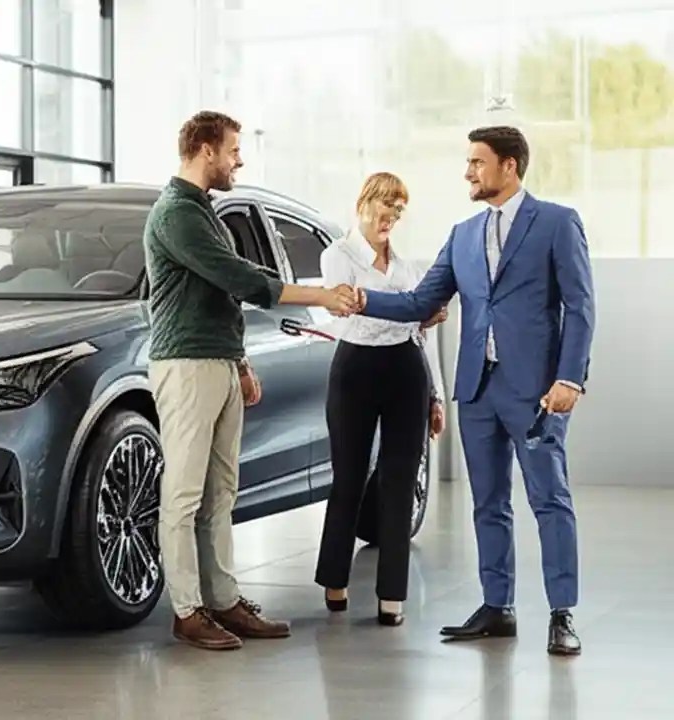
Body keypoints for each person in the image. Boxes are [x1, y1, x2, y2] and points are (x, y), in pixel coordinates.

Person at [350, 126, 595, 656]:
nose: (468, 172)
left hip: (536, 393)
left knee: (549, 500)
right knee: (487, 502)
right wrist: (358, 299)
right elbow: (419, 301)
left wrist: (570, 378)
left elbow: (579, 306)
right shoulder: (462, 234)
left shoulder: (556, 222)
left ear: (509, 166)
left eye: (477, 162)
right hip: (477, 391)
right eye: (467, 162)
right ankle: (497, 607)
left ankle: (562, 614)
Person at [143, 110, 360, 651]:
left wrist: (238, 362)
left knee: (221, 491)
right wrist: (320, 296)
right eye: (233, 149)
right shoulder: (176, 214)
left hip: (216, 362)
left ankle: (223, 601)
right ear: (205, 150)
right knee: (184, 494)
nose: (239, 159)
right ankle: (187, 610)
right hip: (186, 366)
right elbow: (237, 279)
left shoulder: (206, 212)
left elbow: (215, 299)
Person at [313, 172, 448, 627]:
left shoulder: (406, 268)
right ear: (364, 203)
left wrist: (435, 395)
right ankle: (335, 579)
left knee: (400, 480)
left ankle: (393, 594)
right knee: (349, 478)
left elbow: (417, 332)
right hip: (356, 370)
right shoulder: (338, 255)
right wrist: (411, 308)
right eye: (384, 207)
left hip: (406, 371)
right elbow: (350, 310)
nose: (390, 218)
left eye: (398, 211)